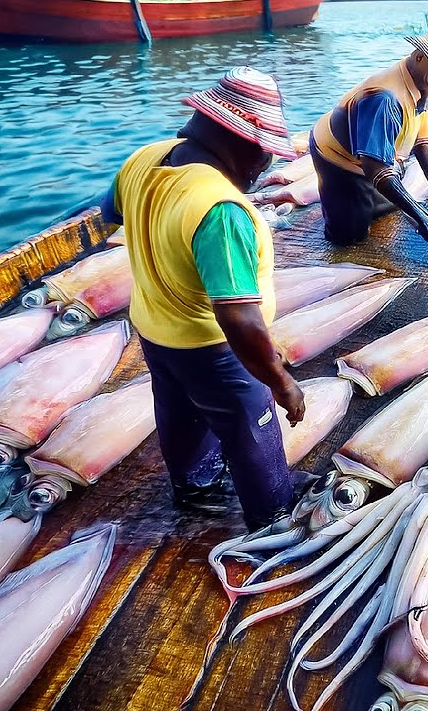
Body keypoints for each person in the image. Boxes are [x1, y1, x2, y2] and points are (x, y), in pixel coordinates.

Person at [100, 67, 305, 531]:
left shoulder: (145, 158)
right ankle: (271, 516)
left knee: (177, 410)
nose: (264, 167)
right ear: (238, 139)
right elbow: (239, 318)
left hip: (154, 330)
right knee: (251, 425)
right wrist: (278, 380)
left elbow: (110, 211)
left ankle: (195, 487)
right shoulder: (220, 208)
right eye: (263, 153)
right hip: (212, 348)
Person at [309, 26, 428, 248]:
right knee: (349, 237)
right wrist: (422, 217)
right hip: (337, 155)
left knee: (389, 205)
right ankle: (342, 213)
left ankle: (365, 199)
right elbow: (377, 170)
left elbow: (423, 142)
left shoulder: (422, 83)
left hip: (373, 153)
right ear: (420, 57)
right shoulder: (383, 99)